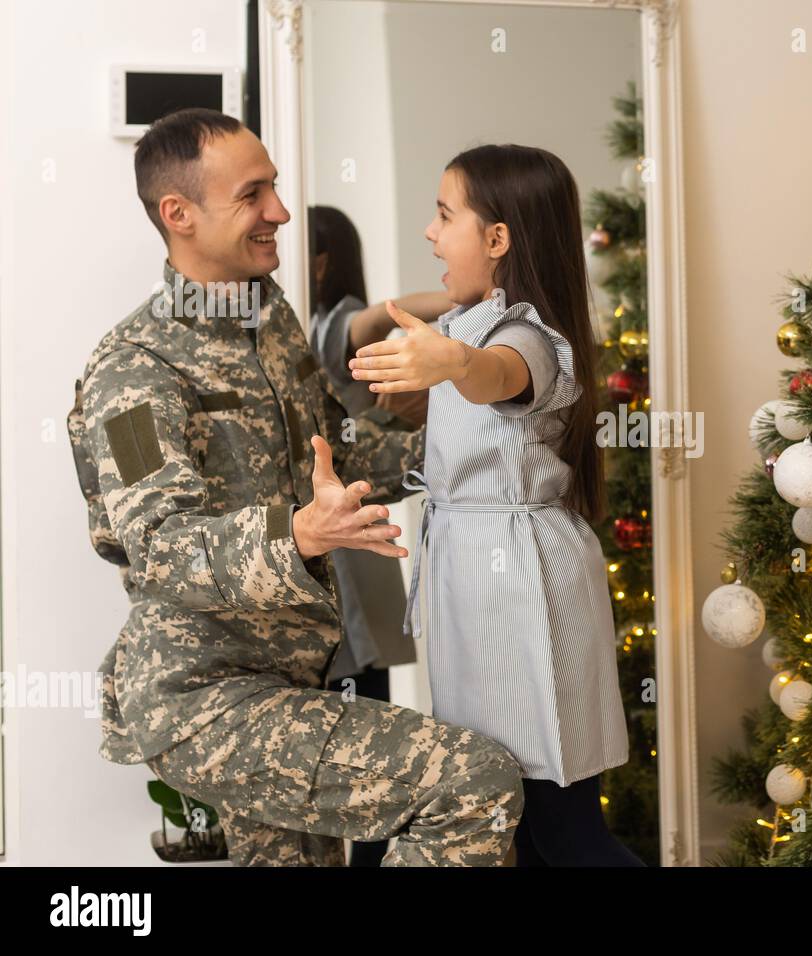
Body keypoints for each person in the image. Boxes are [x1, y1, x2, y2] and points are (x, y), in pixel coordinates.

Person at [66, 108, 522, 866]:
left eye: (274, 187)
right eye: (253, 195)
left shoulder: (267, 314)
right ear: (178, 214)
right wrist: (302, 533)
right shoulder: (132, 372)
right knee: (473, 782)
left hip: (295, 675)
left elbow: (336, 448)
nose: (279, 211)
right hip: (204, 697)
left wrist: (478, 443)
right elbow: (162, 546)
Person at [349, 144, 644, 866]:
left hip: (523, 586)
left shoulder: (528, 339)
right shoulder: (468, 320)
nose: (429, 231)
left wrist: (451, 363)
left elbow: (496, 378)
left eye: (445, 215)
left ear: (497, 239)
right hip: (476, 583)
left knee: (562, 823)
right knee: (502, 809)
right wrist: (438, 327)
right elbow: (374, 333)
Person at [306, 203, 453, 865]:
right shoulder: (290, 327)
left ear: (321, 261)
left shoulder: (337, 323)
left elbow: (380, 313)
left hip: (351, 572)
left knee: (367, 755)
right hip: (333, 561)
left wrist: (462, 297)